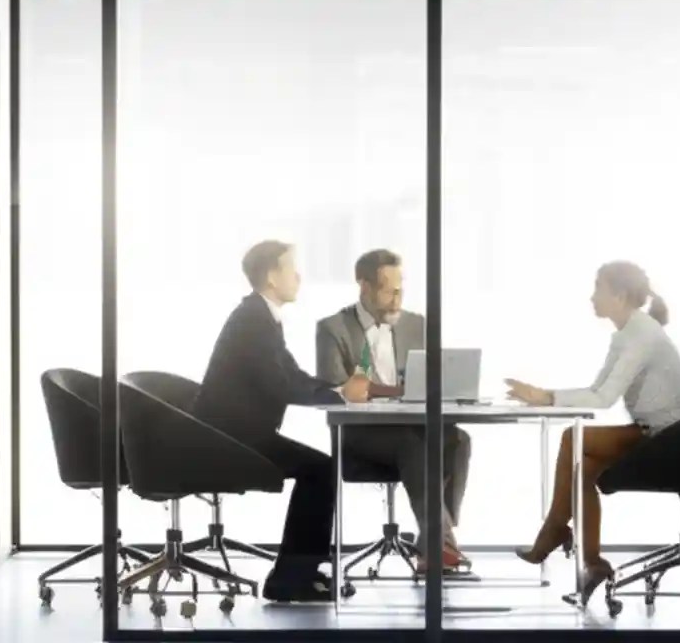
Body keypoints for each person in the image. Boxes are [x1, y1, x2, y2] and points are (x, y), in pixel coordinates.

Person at [506, 261, 680, 605]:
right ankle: (590, 562)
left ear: (619, 295)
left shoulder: (641, 336)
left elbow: (603, 399)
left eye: (598, 288)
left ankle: (554, 532)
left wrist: (545, 397)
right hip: (655, 431)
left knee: (573, 440)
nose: (591, 297)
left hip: (677, 439)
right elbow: (598, 389)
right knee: (583, 460)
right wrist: (546, 396)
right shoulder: (627, 333)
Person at [192, 240, 370, 603]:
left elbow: (290, 373)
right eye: (291, 268)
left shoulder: (260, 316)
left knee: (319, 469)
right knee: (319, 470)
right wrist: (339, 396)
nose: (298, 276)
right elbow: (281, 384)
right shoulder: (253, 320)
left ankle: (297, 574)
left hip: (237, 433)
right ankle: (292, 579)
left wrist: (337, 389)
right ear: (272, 276)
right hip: (229, 439)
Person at [315, 249, 472, 572]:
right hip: (359, 434)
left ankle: (438, 537)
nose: (398, 299)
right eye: (390, 291)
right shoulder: (333, 328)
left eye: (402, 290)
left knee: (458, 439)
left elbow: (431, 378)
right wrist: (376, 390)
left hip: (412, 429)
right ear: (365, 287)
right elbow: (333, 388)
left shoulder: (416, 325)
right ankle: (441, 546)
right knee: (412, 444)